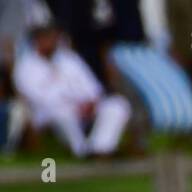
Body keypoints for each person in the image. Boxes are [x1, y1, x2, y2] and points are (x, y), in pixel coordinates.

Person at [11, 21, 131, 157]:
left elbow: (92, 87)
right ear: (37, 40)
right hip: (50, 112)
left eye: (54, 37)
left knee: (117, 104)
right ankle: (81, 151)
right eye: (48, 37)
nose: (53, 41)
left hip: (83, 107)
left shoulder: (70, 59)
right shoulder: (26, 66)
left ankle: (101, 148)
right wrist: (74, 104)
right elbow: (37, 98)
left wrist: (90, 102)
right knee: (61, 112)